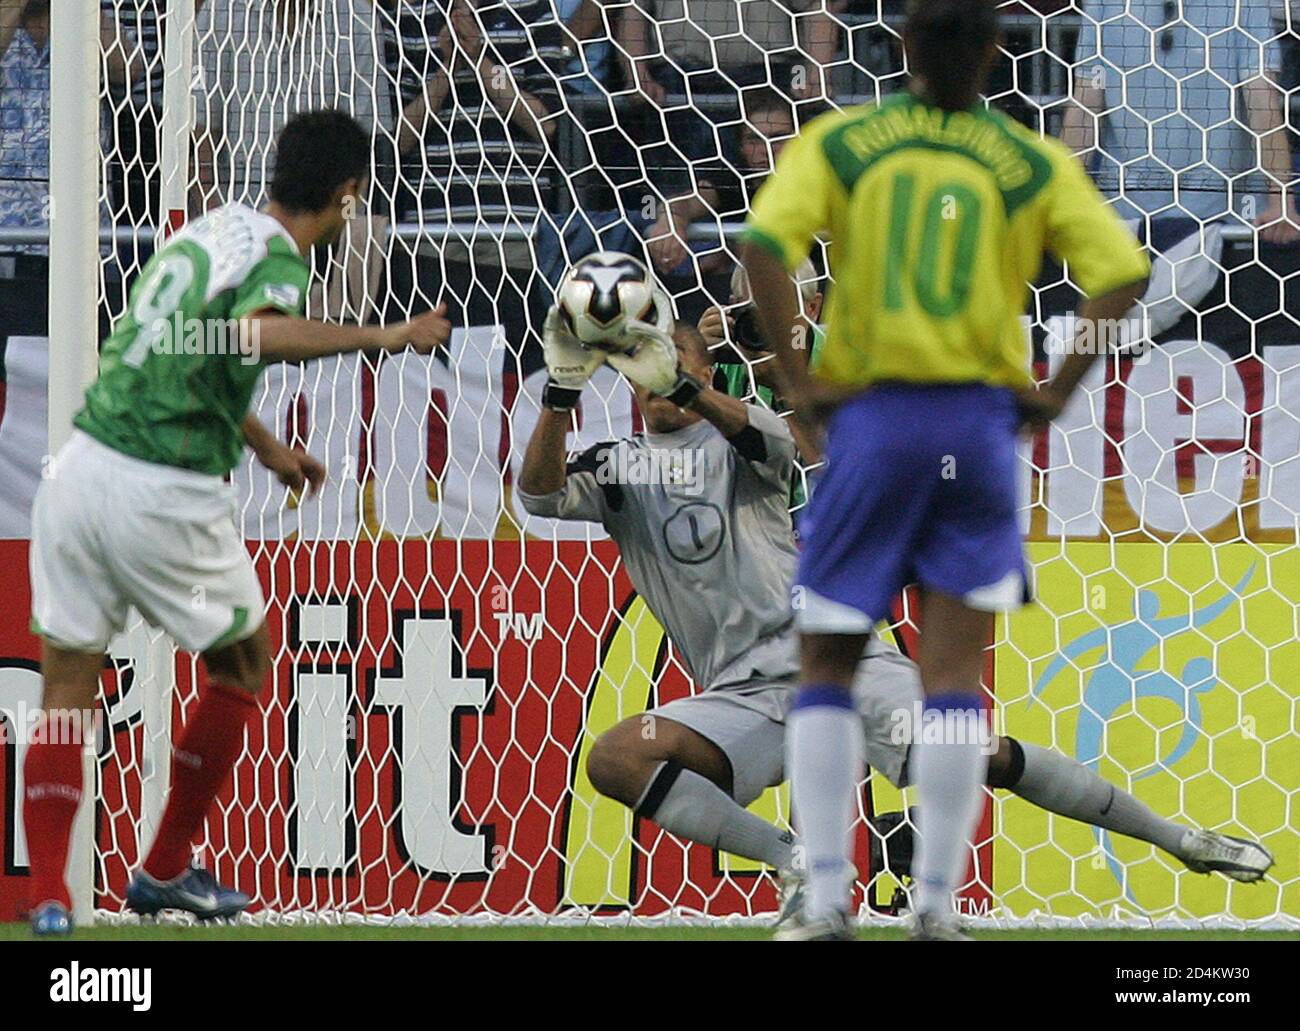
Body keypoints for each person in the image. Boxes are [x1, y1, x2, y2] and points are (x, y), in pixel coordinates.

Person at [517, 302, 1269, 938]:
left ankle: (1183, 839)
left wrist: (704, 374)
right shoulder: (614, 466)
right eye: (639, 358)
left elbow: (780, 445)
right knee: (618, 756)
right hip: (740, 695)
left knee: (983, 755)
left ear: (706, 370)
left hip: (842, 666)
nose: (656, 374)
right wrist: (558, 390)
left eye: (670, 356)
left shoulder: (745, 439)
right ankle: (800, 863)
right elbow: (540, 496)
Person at [740, 0, 1151, 939]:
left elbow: (763, 247)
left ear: (902, 43)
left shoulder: (846, 144)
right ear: (999, 51)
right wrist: (1058, 386)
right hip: (976, 422)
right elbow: (1123, 272)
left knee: (828, 659)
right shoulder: (1030, 160)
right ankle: (935, 905)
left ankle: (828, 898)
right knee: (956, 670)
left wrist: (800, 379)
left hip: (876, 418)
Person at [23, 109, 451, 936]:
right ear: (348, 194)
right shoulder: (279, 258)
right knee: (245, 659)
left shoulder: (208, 233)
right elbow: (257, 333)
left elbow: (188, 344)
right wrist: (388, 332)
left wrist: (266, 444)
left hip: (78, 474)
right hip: (164, 487)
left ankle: (46, 899)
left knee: (67, 689)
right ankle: (164, 865)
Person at [1061, 0, 1300, 241]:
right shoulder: (1104, 4)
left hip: (1222, 222)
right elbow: (1085, 106)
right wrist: (1059, 199)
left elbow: (1262, 104)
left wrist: (1281, 200)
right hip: (1125, 220)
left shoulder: (1244, 4)